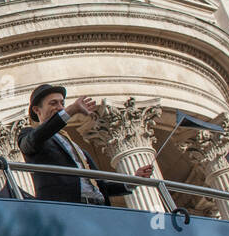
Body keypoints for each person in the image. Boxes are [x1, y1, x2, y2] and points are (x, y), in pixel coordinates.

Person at [19, 84, 153, 205]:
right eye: (53, 103)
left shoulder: (77, 149)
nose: (59, 107)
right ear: (37, 110)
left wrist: (132, 181)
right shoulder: (29, 134)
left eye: (62, 103)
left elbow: (99, 185)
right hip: (67, 208)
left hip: (99, 206)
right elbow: (31, 142)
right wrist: (70, 111)